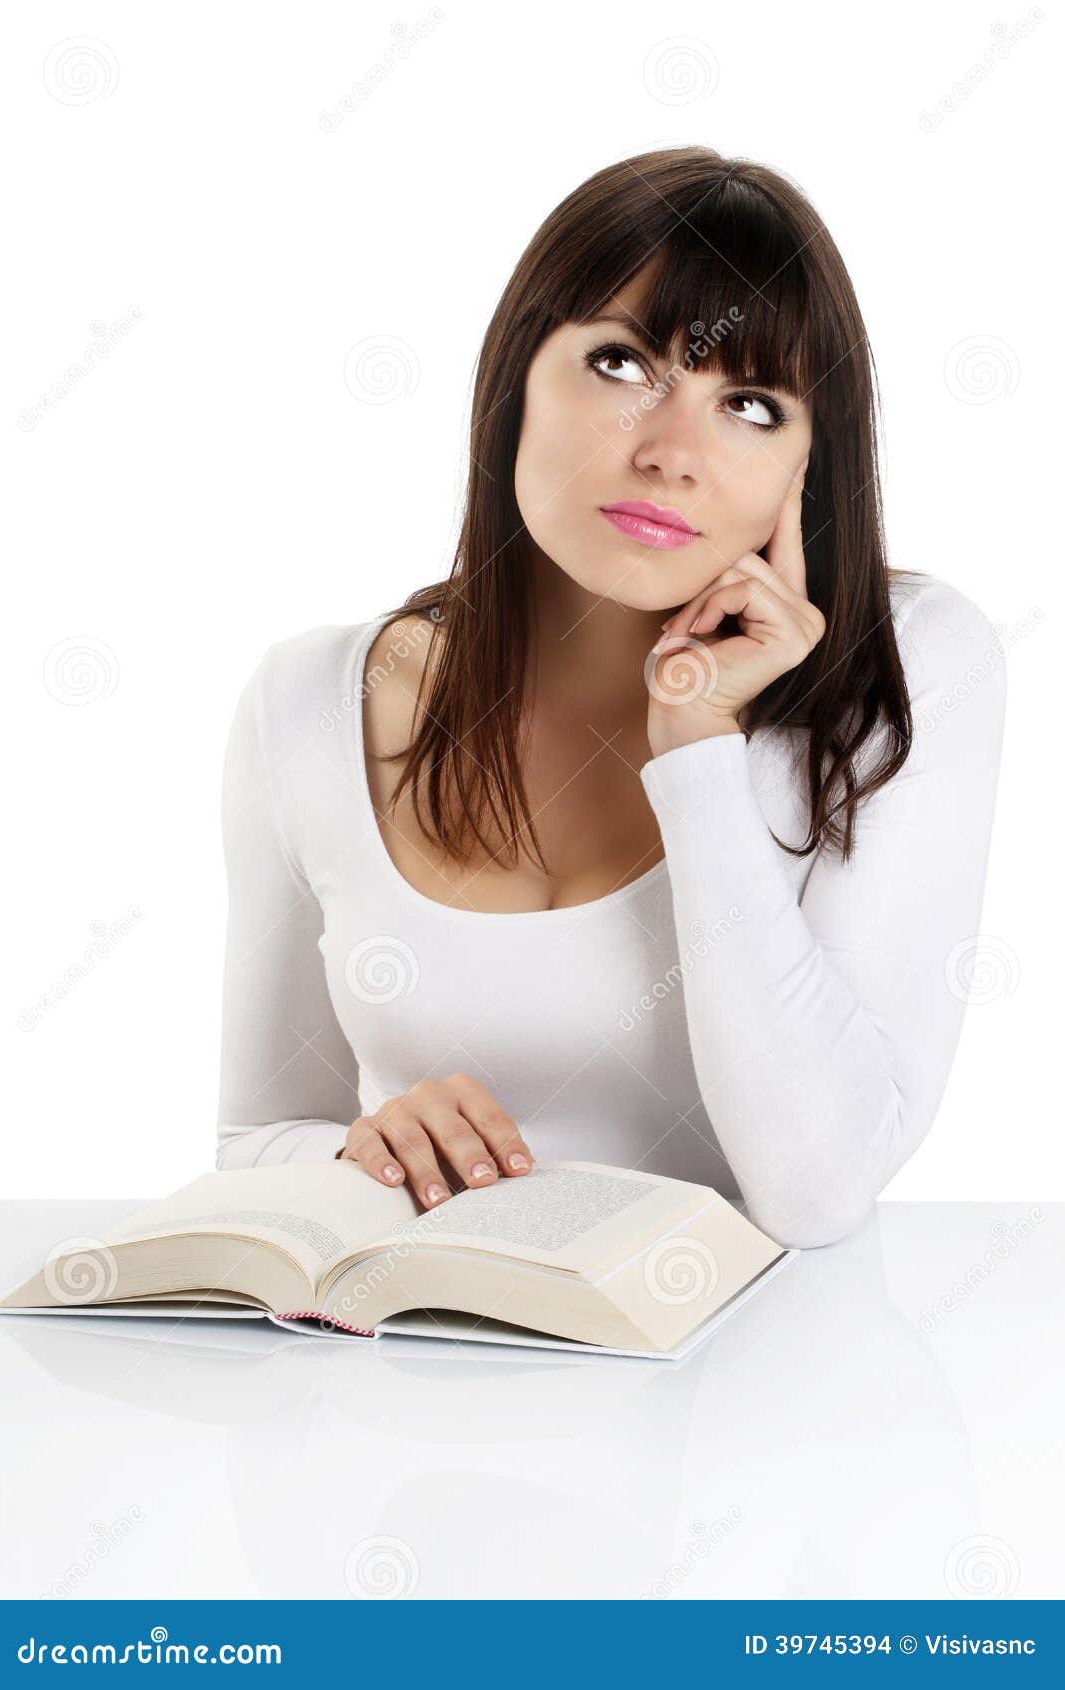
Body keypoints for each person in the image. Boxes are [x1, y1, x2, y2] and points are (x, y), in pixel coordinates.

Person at [215, 147, 1006, 1249]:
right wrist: (362, 1147)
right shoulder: (309, 701)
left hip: (762, 1359)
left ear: (807, 468)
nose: (672, 454)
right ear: (515, 379)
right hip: (421, 1343)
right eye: (622, 364)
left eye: (748, 403)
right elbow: (256, 1142)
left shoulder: (905, 664)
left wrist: (696, 746)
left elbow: (818, 1189)